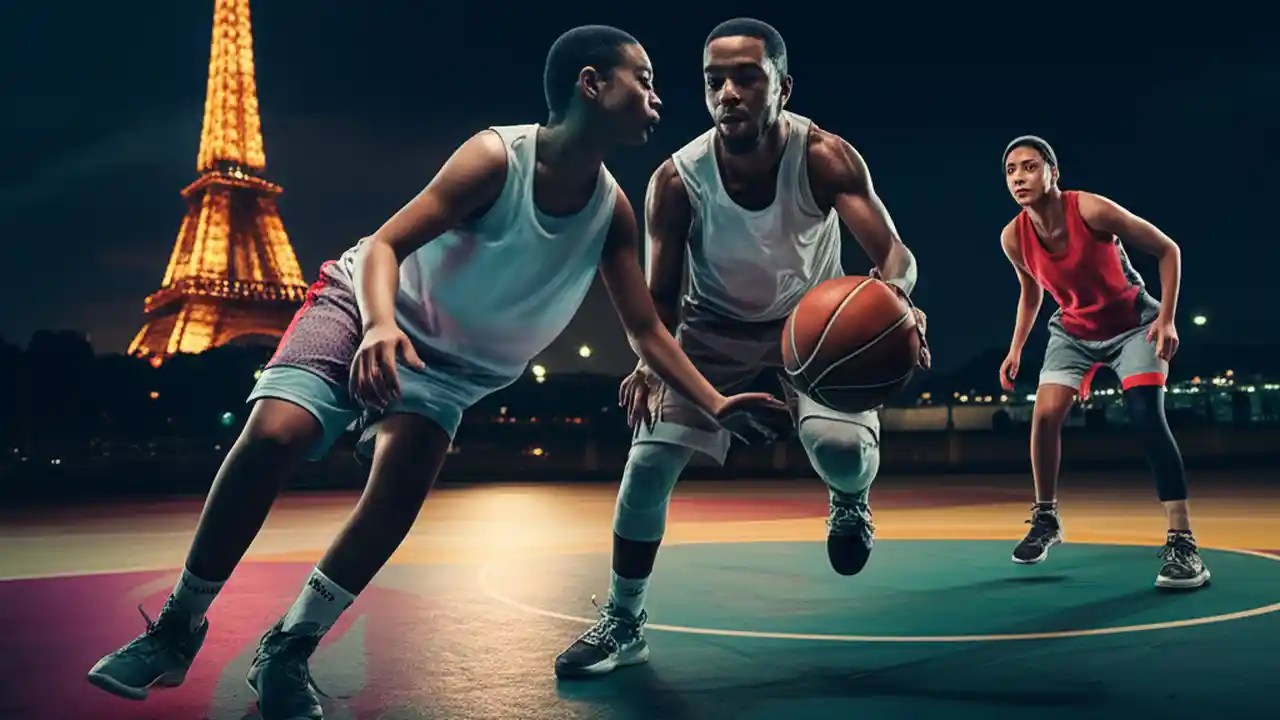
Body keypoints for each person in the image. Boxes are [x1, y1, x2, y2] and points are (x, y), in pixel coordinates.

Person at [86, 25, 786, 719]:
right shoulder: (495, 158)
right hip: (366, 307)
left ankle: (289, 647)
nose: (659, 97)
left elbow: (647, 332)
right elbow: (385, 246)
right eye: (645, 80)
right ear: (592, 85)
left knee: (397, 491)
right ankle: (177, 627)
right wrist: (380, 325)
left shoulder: (614, 213)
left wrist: (714, 402)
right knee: (275, 434)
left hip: (451, 371)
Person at [554, 18, 929, 679]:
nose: (728, 93)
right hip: (712, 332)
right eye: (714, 81)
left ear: (783, 87)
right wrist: (647, 363)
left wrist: (895, 299)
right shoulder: (677, 180)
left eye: (747, 78)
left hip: (811, 331)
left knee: (843, 454)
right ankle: (623, 621)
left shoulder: (824, 157)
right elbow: (660, 299)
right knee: (646, 466)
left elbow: (894, 253)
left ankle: (849, 498)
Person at [997, 135, 1208, 590]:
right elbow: (1031, 293)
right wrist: (1015, 349)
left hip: (1134, 325)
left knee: (1145, 414)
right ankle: (1046, 518)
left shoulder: (1090, 209)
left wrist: (1167, 319)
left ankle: (1183, 543)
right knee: (1045, 415)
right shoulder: (1013, 236)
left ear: (1054, 173)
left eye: (1030, 167)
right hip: (1073, 332)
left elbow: (1168, 250)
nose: (1019, 178)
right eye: (1011, 170)